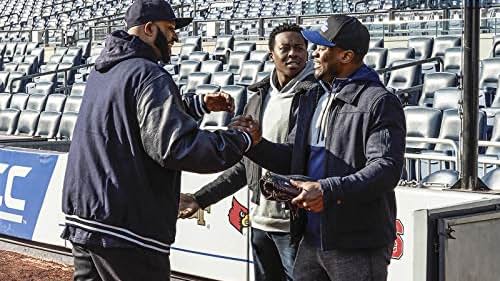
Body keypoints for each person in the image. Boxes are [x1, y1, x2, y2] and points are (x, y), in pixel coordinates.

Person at [60, 0, 254, 280]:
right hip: (126, 228)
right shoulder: (149, 74)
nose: (175, 36)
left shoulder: (103, 70)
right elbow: (176, 148)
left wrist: (197, 105)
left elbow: (133, 119)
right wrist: (240, 139)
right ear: (150, 29)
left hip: (86, 218)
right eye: (170, 28)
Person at [232, 15, 406, 281]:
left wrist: (327, 189)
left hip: (356, 243)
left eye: (322, 48)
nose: (313, 53)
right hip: (311, 237)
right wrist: (257, 144)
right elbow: (293, 156)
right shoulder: (314, 95)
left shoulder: (379, 102)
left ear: (346, 56)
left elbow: (385, 170)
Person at [178, 23, 315, 281]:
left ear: (307, 53)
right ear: (271, 54)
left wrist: (257, 142)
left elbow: (296, 159)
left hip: (298, 227)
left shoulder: (314, 97)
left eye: (299, 48)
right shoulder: (257, 98)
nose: (293, 54)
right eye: (284, 48)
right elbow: (245, 167)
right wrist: (200, 198)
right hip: (261, 224)